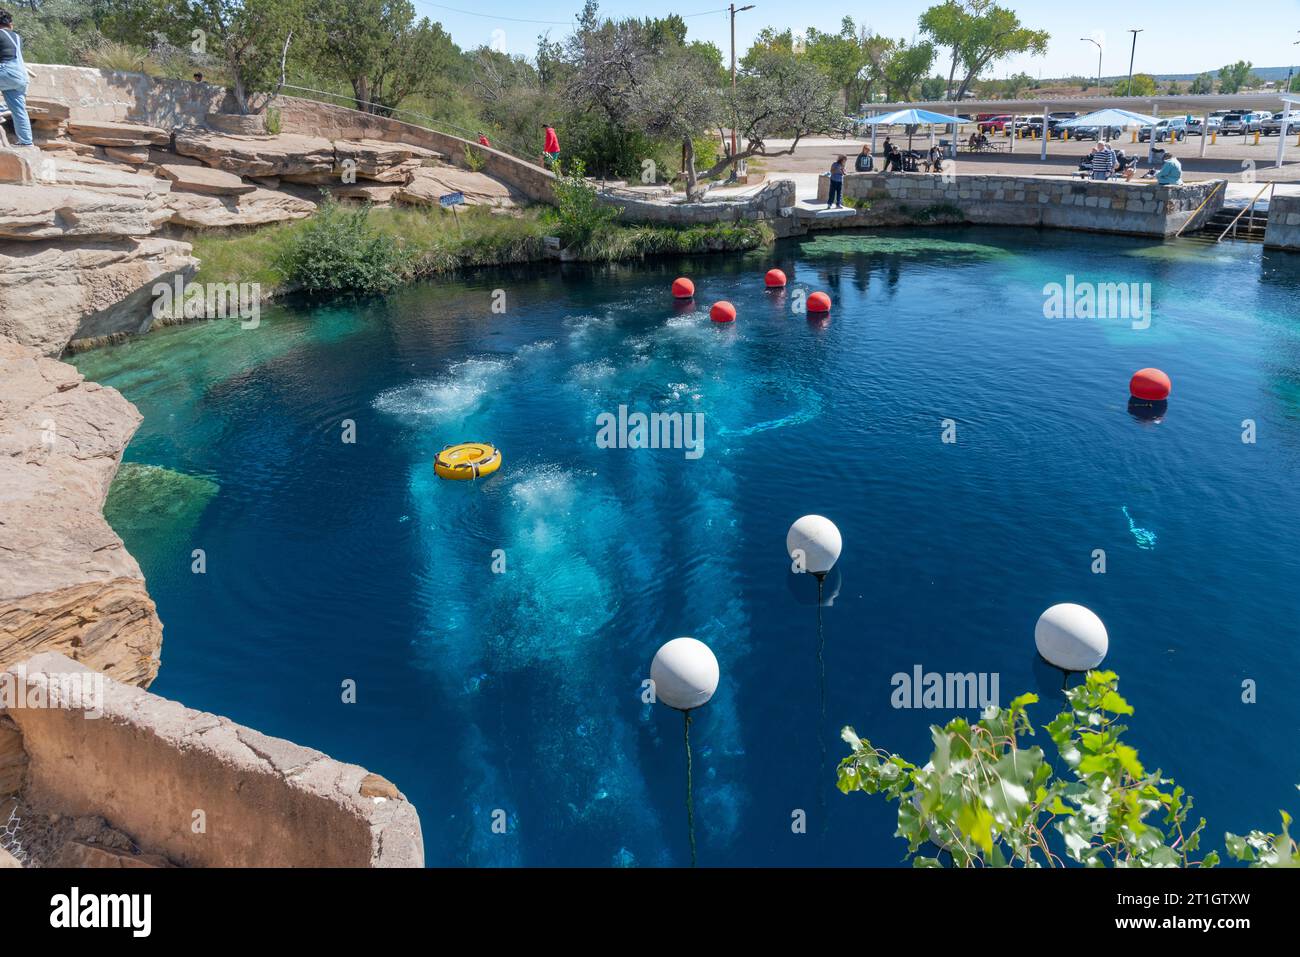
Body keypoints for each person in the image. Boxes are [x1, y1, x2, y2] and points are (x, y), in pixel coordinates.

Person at [0, 10, 34, 148]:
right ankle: (26, 142)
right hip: (21, 76)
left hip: (7, 72)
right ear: (10, 24)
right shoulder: (17, 37)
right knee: (19, 110)